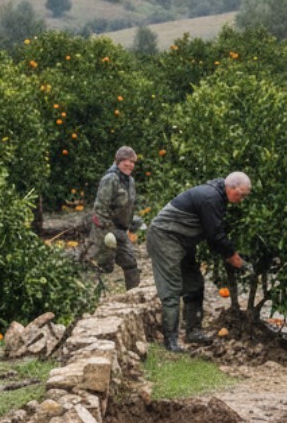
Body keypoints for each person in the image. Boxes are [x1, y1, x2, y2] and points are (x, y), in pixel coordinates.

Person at [146, 171, 251, 352]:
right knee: (171, 288)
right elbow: (215, 235)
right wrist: (234, 257)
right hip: (165, 237)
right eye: (240, 195)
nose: (241, 199)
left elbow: (214, 233)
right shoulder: (210, 198)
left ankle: (193, 331)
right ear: (231, 187)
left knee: (194, 283)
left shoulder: (217, 196)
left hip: (182, 241)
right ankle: (170, 341)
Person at [88, 146, 142, 290]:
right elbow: (100, 207)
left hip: (120, 231)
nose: (130, 165)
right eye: (126, 161)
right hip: (105, 230)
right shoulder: (110, 179)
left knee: (130, 263)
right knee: (103, 266)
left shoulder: (130, 181)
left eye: (132, 162)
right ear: (118, 161)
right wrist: (107, 229)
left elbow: (127, 206)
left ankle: (134, 297)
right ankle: (87, 293)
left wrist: (133, 221)